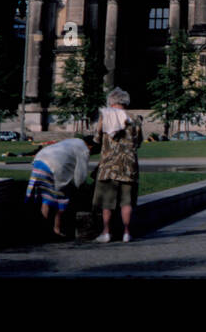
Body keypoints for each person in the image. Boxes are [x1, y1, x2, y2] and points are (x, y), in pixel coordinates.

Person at [94, 87, 142, 243]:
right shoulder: (135, 118)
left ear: (111, 101)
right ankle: (127, 233)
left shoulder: (105, 116)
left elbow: (97, 139)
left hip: (109, 165)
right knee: (127, 201)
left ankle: (106, 232)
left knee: (107, 202)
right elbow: (138, 141)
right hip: (129, 166)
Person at [26, 135, 93, 238]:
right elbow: (81, 174)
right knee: (62, 198)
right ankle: (56, 229)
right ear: (90, 146)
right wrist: (81, 187)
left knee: (46, 198)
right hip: (54, 165)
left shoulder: (72, 141)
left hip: (40, 160)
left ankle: (43, 230)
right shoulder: (84, 149)